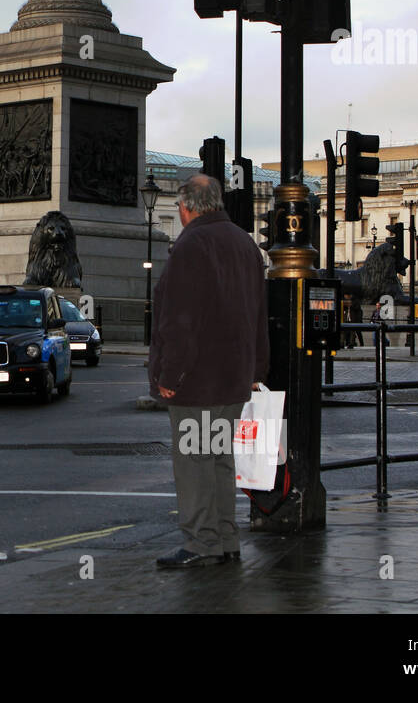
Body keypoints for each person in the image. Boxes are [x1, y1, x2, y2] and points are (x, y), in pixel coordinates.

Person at [148, 174, 267, 569]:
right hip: (234, 378)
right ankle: (226, 538)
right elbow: (259, 315)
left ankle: (202, 542)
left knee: (194, 459)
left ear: (185, 207)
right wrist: (257, 368)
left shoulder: (191, 245)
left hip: (198, 380)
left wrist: (169, 375)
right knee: (219, 458)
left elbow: (180, 321)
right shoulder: (245, 244)